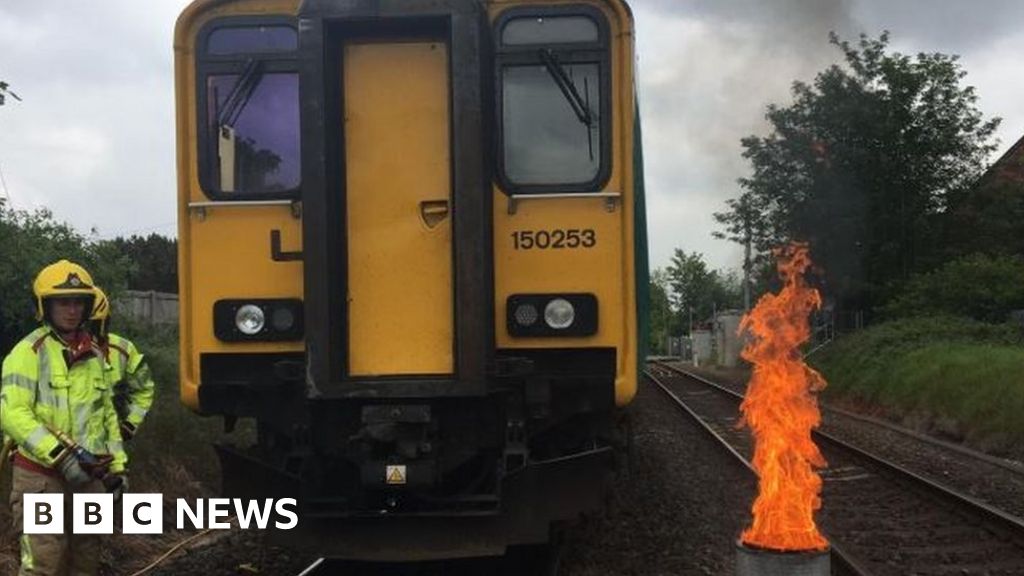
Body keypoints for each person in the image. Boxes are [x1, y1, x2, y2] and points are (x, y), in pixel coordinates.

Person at [1, 259, 127, 576]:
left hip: (90, 476)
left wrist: (118, 468)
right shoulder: (28, 352)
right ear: (45, 306)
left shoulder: (96, 355)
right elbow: (12, 413)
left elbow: (107, 416)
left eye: (78, 303)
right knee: (43, 562)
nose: (71, 310)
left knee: (87, 558)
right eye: (63, 302)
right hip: (40, 476)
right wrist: (60, 456)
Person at [90, 287, 155, 441]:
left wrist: (130, 424)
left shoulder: (125, 349)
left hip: (108, 443)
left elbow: (145, 389)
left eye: (91, 326)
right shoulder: (48, 352)